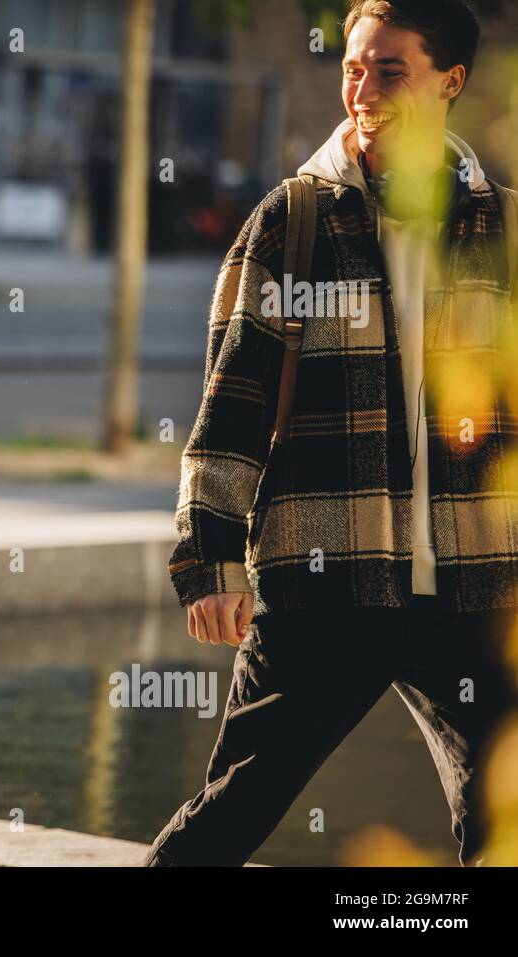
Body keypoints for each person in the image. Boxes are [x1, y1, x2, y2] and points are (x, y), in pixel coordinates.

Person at [151, 0, 518, 866]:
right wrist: (209, 558)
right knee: (230, 817)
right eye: (354, 67)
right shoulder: (294, 221)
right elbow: (231, 402)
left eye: (390, 69)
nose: (363, 87)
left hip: (481, 578)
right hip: (332, 571)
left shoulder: (504, 228)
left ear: (450, 82)